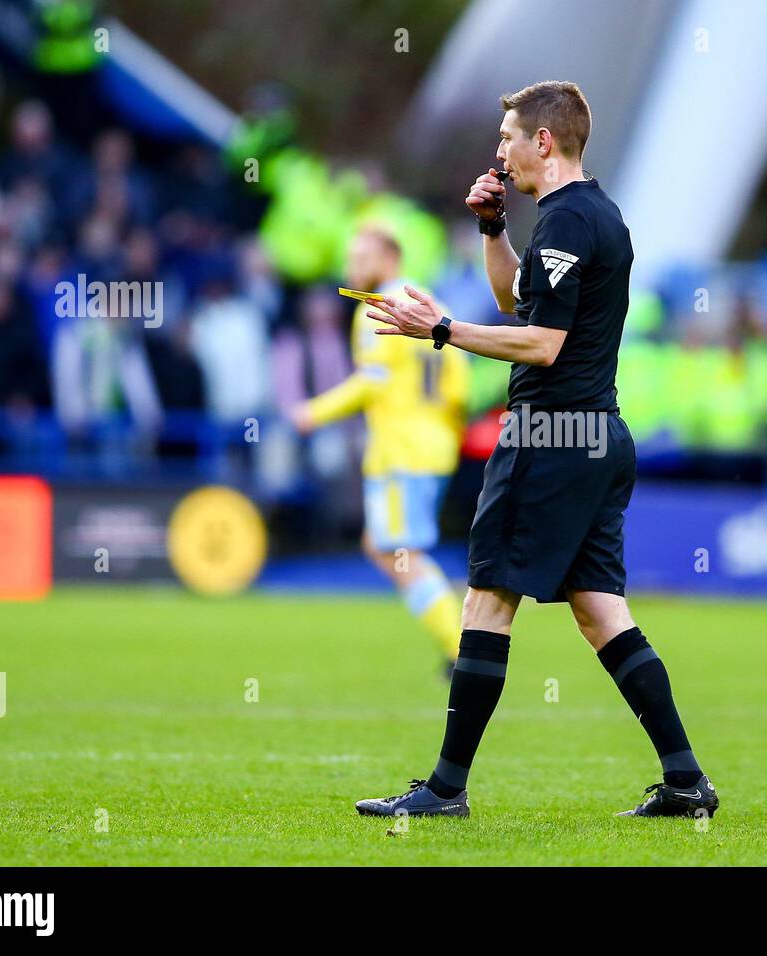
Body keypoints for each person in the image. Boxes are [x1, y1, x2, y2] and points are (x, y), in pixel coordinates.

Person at [351, 81, 715, 819]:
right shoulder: (592, 215)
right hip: (599, 436)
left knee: (486, 599)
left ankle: (445, 789)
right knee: (600, 610)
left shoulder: (568, 221)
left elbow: (540, 344)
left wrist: (441, 330)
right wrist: (493, 230)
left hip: (550, 434)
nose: (499, 149)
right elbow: (521, 302)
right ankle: (685, 782)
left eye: (508, 136)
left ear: (543, 142)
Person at [290, 226, 469, 673]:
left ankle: (460, 647)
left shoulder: (378, 308)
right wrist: (445, 430)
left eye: (361, 255)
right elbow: (460, 380)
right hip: (434, 444)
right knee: (382, 544)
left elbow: (374, 381)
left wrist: (314, 412)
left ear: (389, 257)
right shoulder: (432, 305)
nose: (352, 264)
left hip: (400, 449)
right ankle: (461, 642)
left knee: (397, 551)